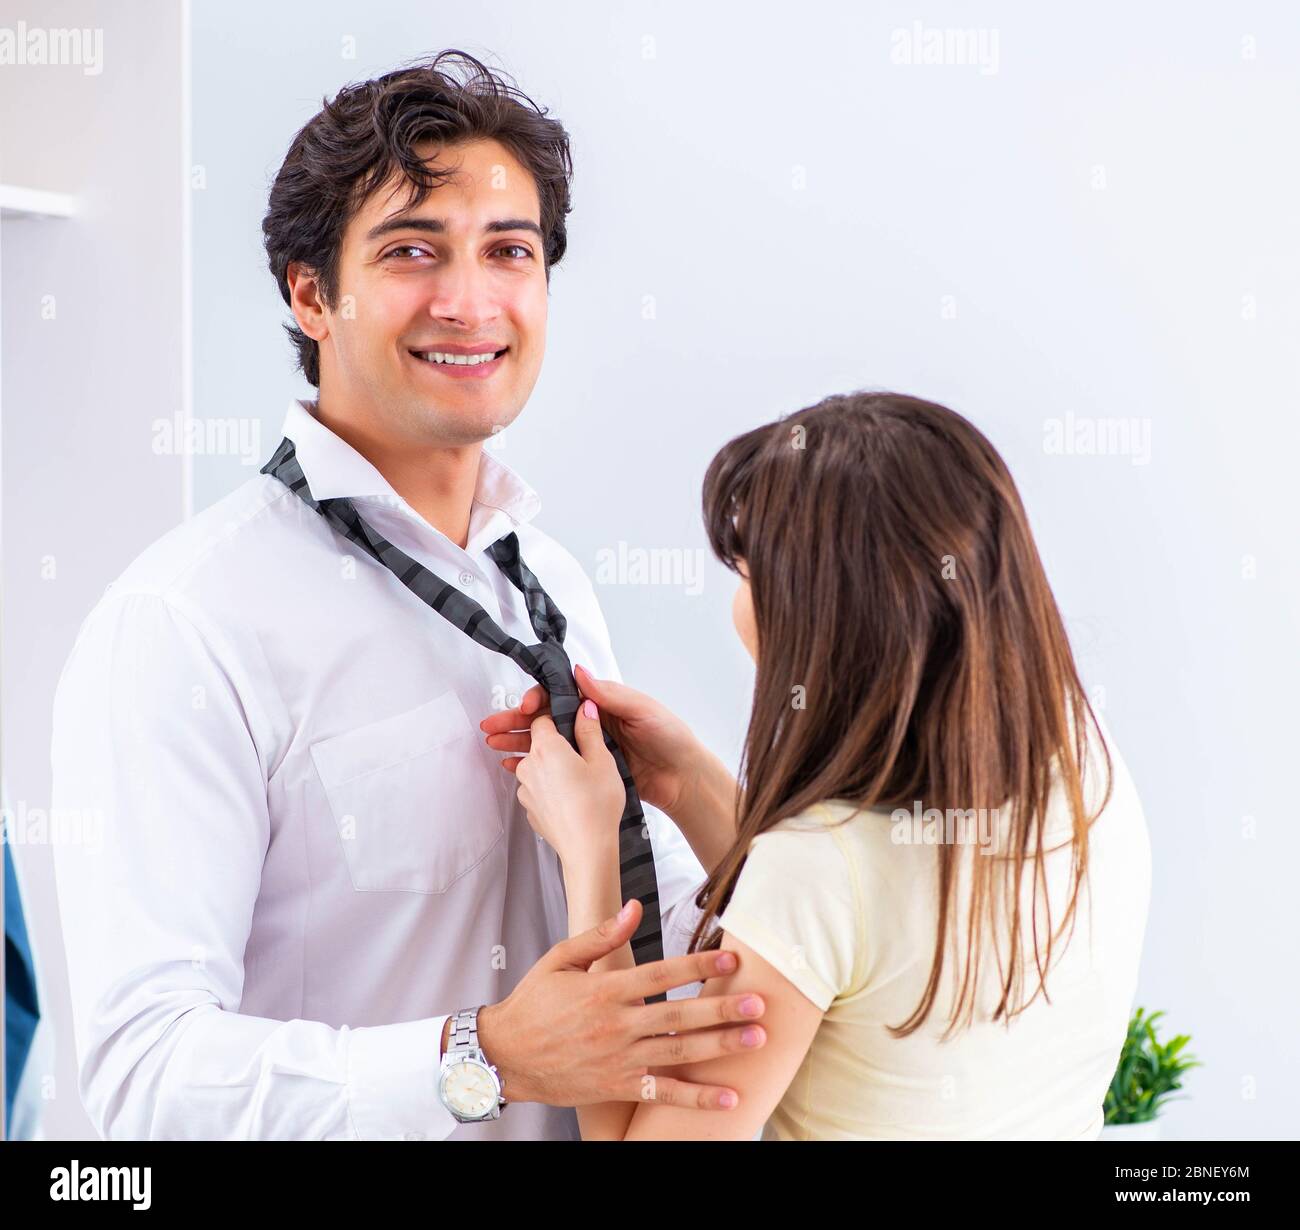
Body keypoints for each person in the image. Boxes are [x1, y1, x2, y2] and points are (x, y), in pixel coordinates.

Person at [47, 51, 769, 1141]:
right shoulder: (186, 625)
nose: (468, 301)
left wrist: (715, 801)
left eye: (507, 252)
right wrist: (482, 1056)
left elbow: (652, 925)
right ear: (310, 295)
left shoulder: (550, 585)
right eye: (411, 251)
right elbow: (143, 1079)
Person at [484, 391, 1153, 1140]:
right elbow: (856, 943)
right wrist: (694, 783)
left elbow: (829, 905)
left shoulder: (816, 866)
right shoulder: (1084, 767)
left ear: (818, 615)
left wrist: (590, 848)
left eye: (746, 575)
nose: (739, 605)